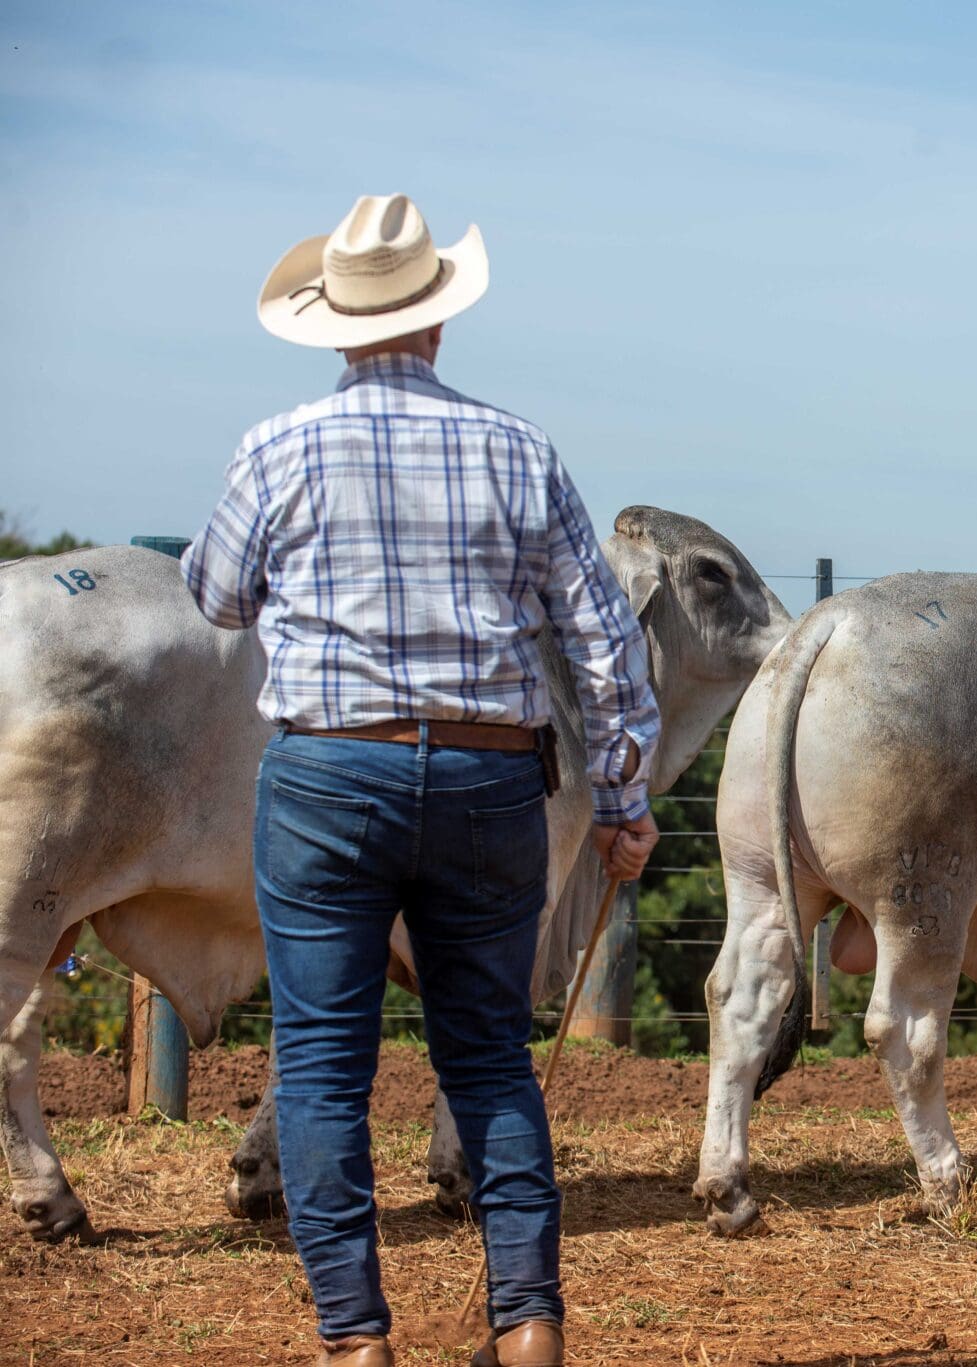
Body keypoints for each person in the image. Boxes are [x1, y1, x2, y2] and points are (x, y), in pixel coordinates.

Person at [183, 194, 661, 1367]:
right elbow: (603, 636)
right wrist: (621, 796)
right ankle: (531, 1323)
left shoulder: (274, 445)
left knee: (320, 1065)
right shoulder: (519, 446)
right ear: (440, 324)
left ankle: (355, 1339)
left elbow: (213, 595)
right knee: (490, 1052)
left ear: (337, 328)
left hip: (326, 774)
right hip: (492, 779)